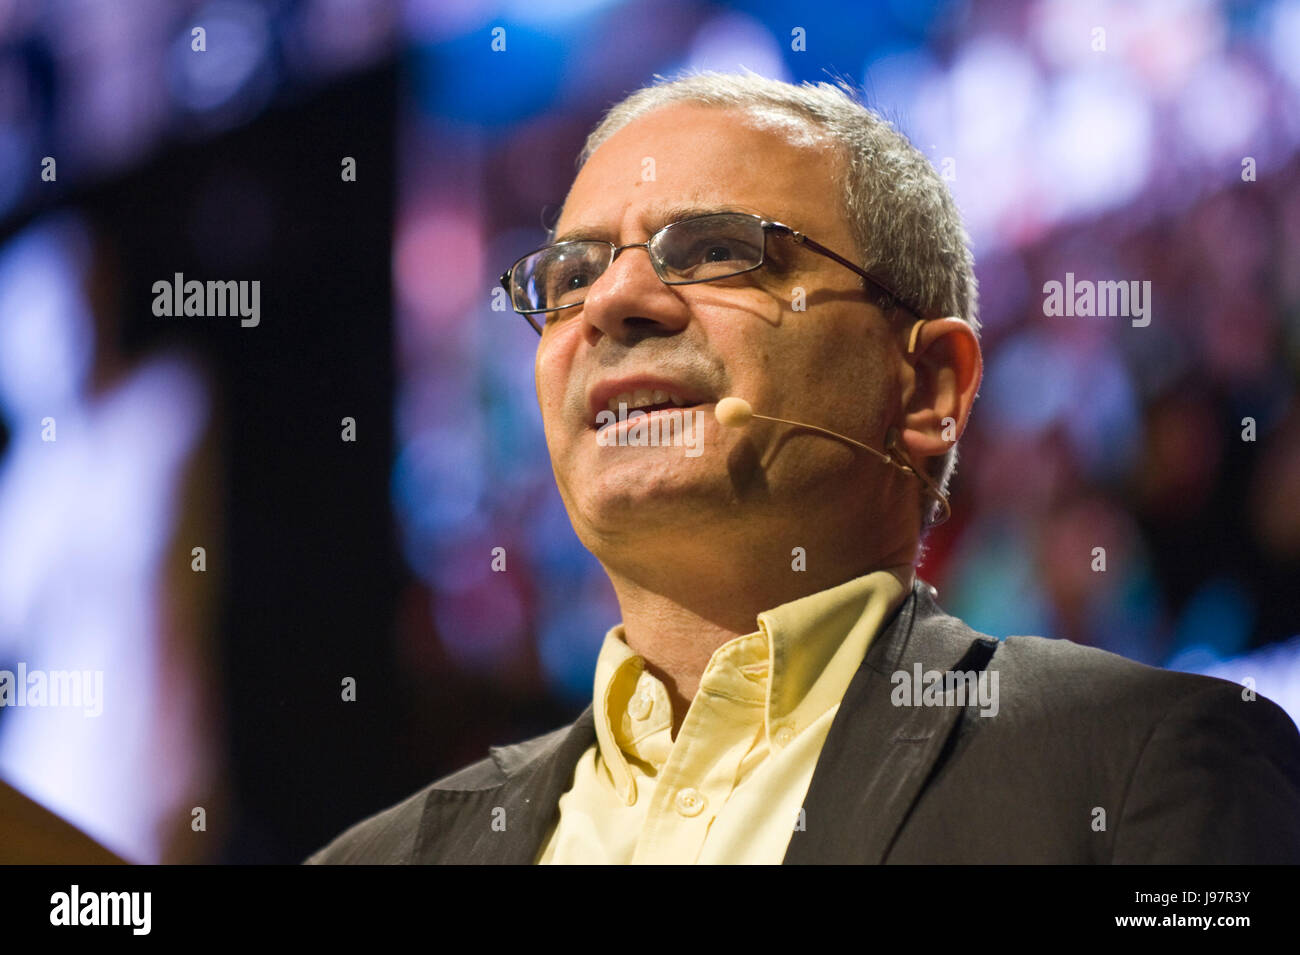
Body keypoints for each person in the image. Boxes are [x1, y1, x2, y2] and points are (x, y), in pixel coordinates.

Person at [307, 71, 1300, 864]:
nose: (611, 302)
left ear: (924, 387)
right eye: (566, 274)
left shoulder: (1143, 771)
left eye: (714, 250)